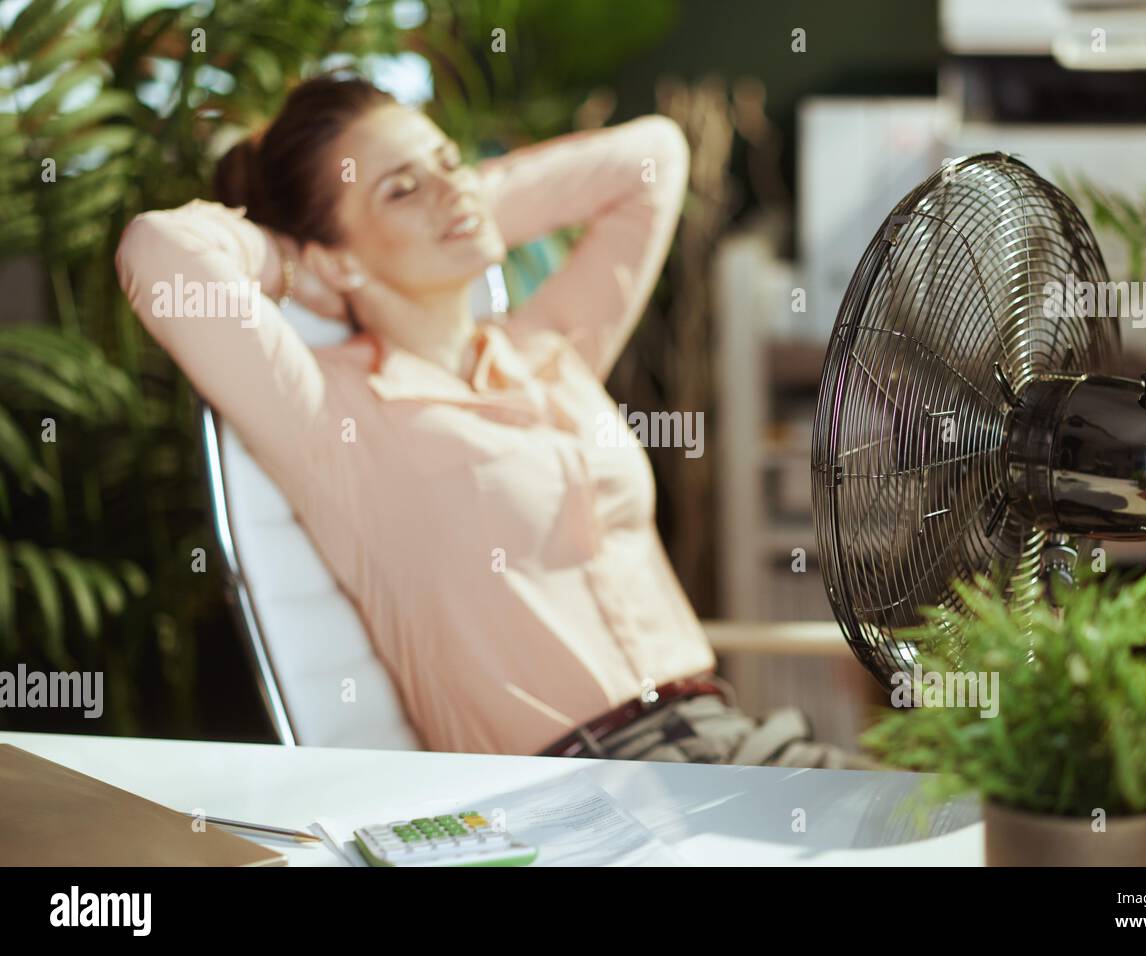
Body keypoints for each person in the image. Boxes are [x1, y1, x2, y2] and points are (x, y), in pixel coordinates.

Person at [115, 72, 878, 770]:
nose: (450, 189)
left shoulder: (548, 352)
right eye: (401, 189)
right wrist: (293, 261)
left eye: (450, 161)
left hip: (731, 743)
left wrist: (455, 202)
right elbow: (159, 252)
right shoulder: (331, 417)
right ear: (335, 259)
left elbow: (652, 157)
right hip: (584, 791)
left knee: (971, 821)